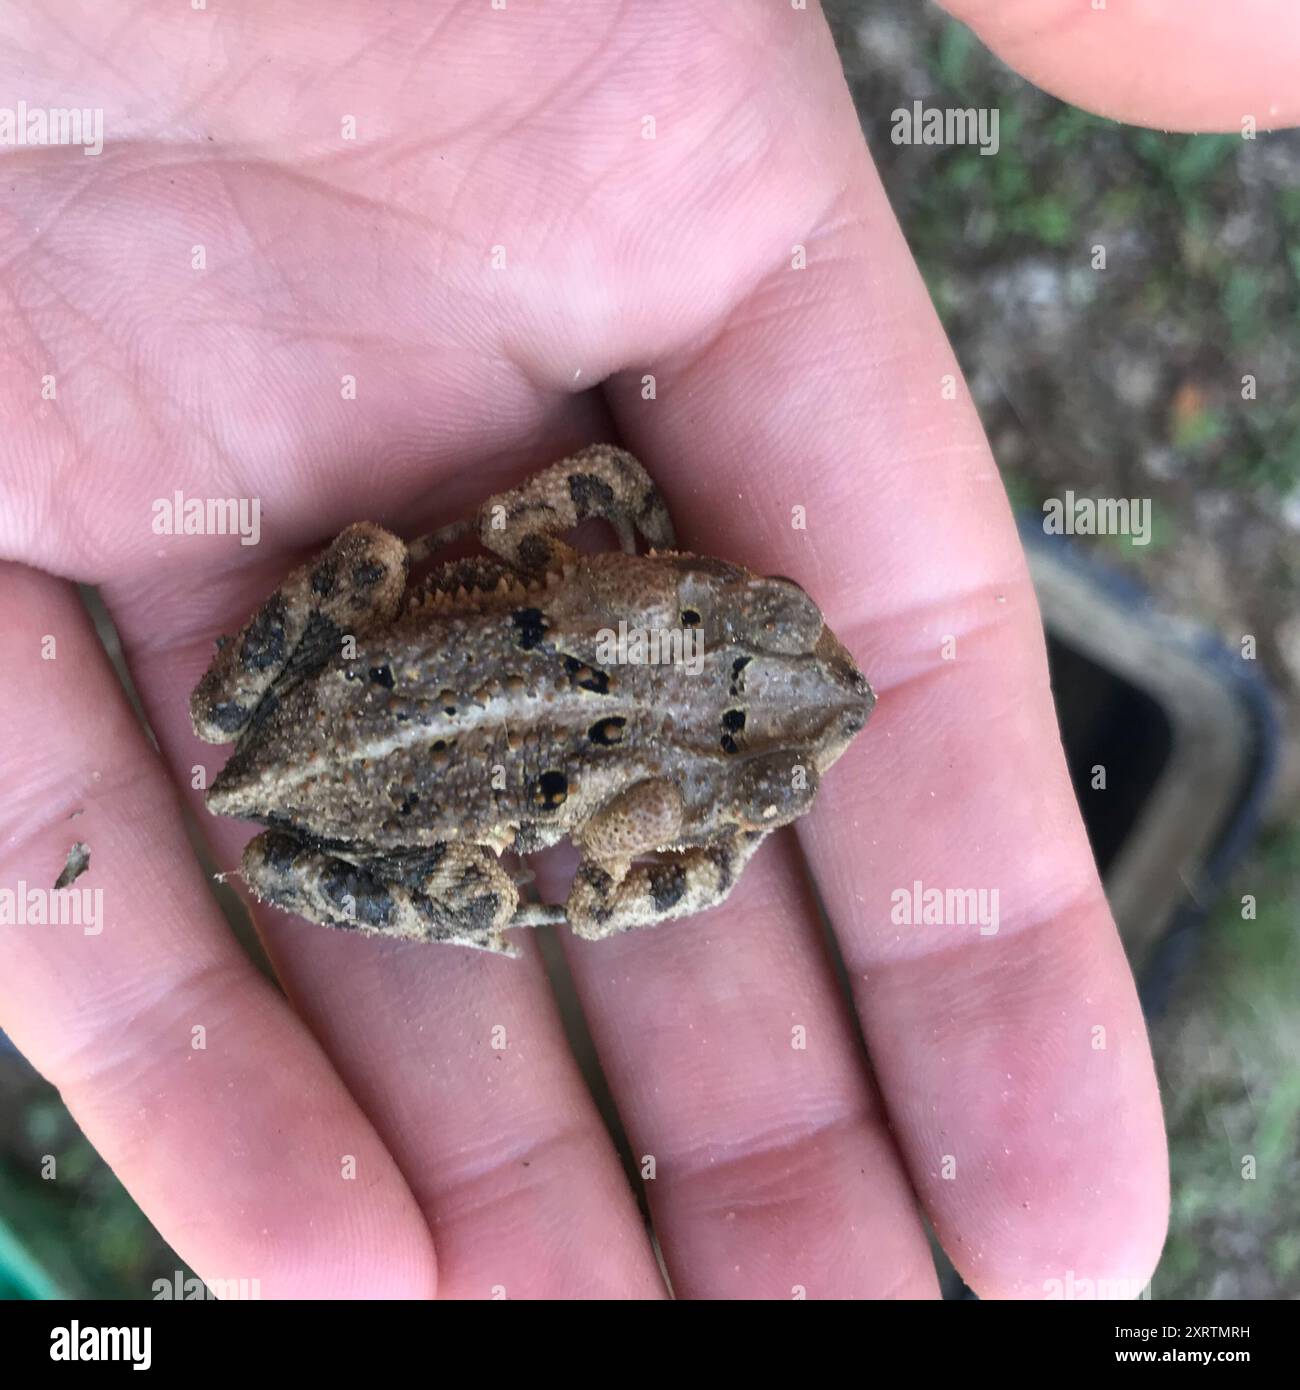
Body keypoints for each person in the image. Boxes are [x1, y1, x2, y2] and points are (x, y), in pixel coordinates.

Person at [2, 0, 1291, 1299]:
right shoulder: (634, 655)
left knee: (385, 605)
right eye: (772, 619)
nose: (822, 682)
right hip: (380, 750)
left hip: (389, 718)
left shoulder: (630, 599)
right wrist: (709, 851)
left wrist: (535, 556)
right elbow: (612, 878)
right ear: (696, 602)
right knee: (496, 885)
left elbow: (600, 501)